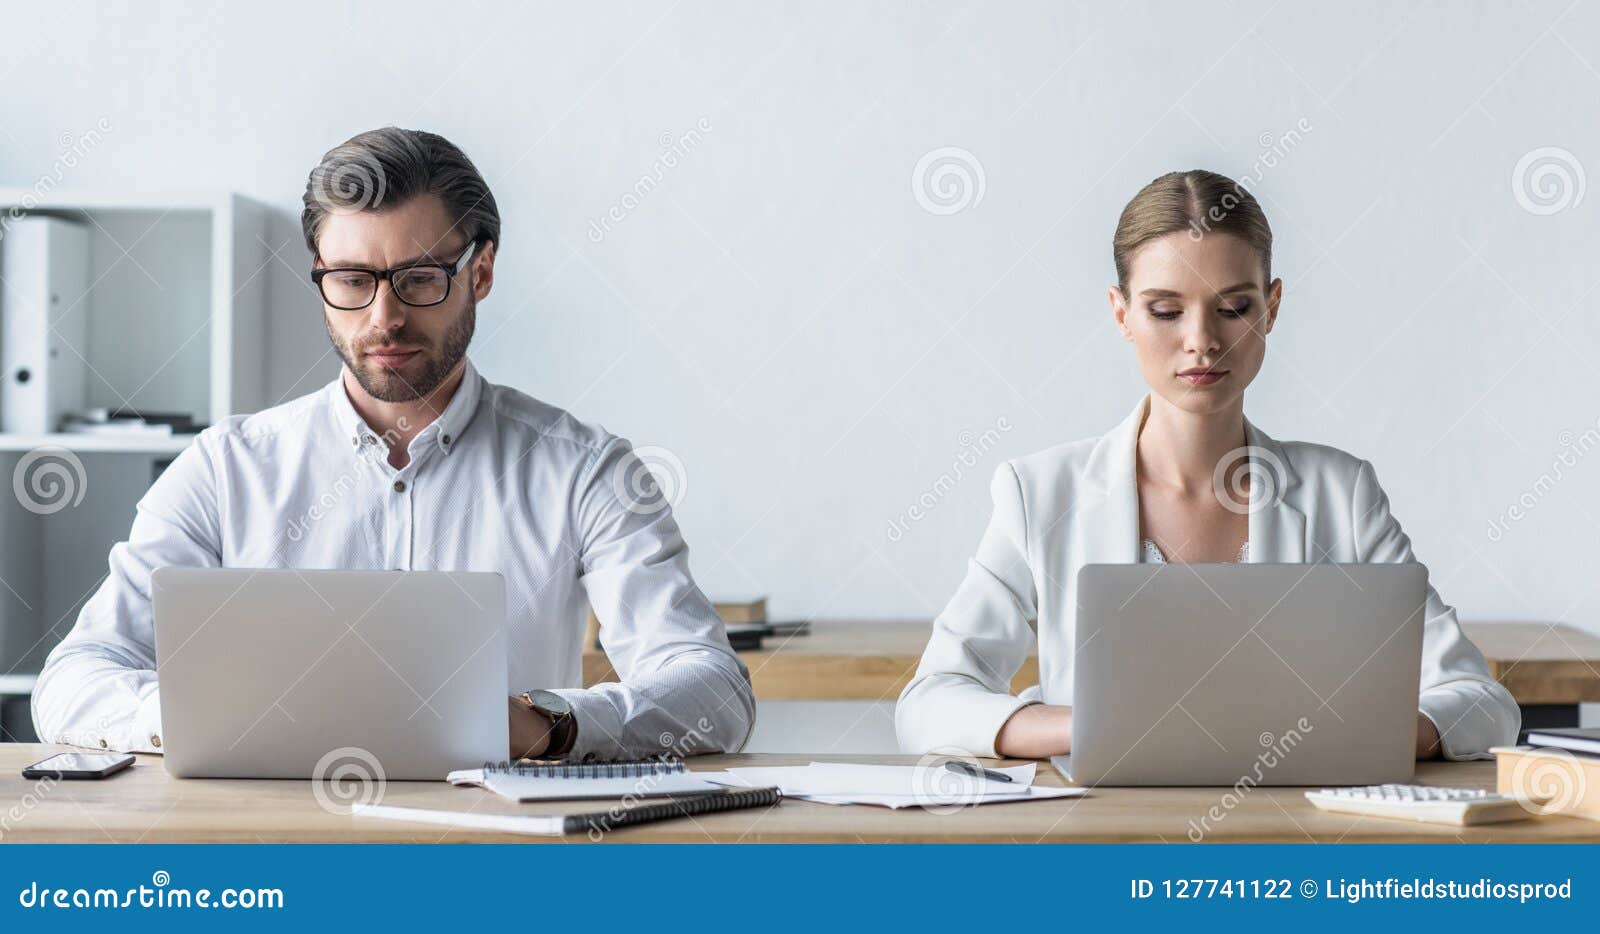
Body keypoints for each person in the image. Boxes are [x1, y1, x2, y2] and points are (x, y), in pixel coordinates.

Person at [31, 127, 754, 761]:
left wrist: (545, 723)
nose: (384, 318)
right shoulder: (225, 470)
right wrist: (196, 719)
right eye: (352, 280)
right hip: (272, 846)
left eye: (418, 279)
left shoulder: (583, 471)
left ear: (480, 272)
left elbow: (714, 690)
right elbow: (72, 680)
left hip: (495, 852)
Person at [896, 169, 1519, 761]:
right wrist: (1095, 727)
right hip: (1101, 827)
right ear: (1121, 313)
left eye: (1234, 308)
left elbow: (1481, 702)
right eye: (1166, 311)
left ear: (1272, 308)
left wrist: (1344, 736)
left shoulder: (1342, 494)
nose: (1202, 341)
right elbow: (929, 704)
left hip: (1287, 827)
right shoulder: (1039, 494)